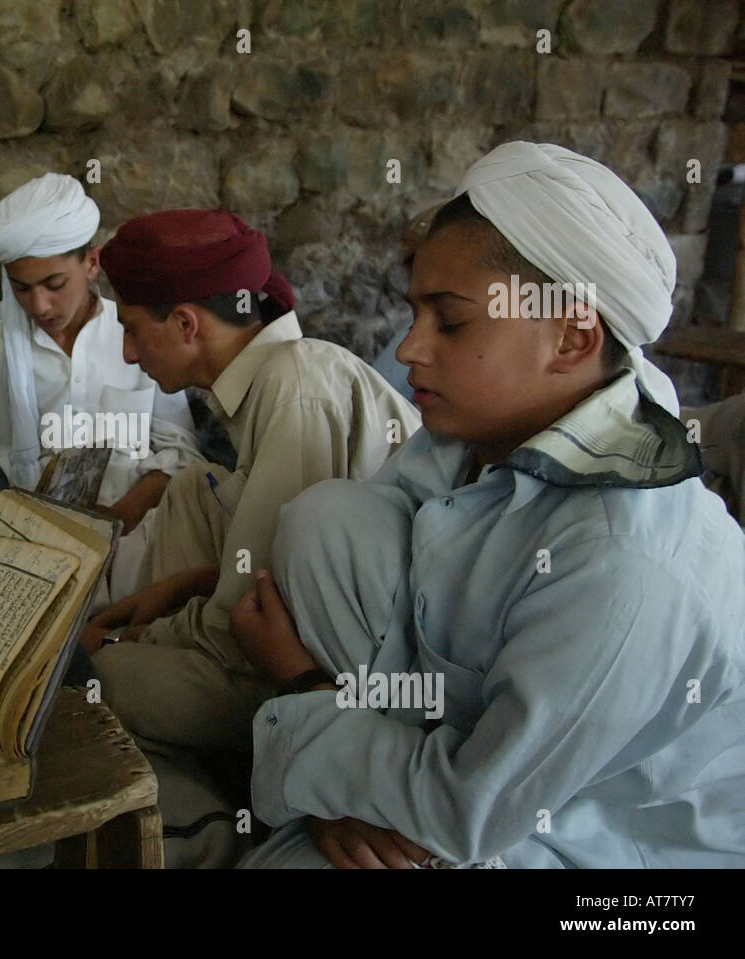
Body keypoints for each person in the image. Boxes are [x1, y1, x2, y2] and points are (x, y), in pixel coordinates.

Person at [234, 141, 745, 869]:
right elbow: (361, 557)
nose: (408, 348)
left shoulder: (629, 562)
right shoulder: (476, 433)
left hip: (597, 849)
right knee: (327, 520)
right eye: (416, 313)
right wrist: (347, 783)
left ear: (571, 337)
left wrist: (303, 686)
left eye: (450, 321)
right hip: (473, 773)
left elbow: (474, 812)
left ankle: (380, 817)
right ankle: (375, 807)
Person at [87, 208, 419, 757]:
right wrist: (178, 589)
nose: (127, 352)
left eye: (130, 328)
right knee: (197, 483)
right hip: (269, 626)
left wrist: (126, 638)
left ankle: (230, 753)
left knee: (100, 675)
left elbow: (259, 611)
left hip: (334, 675)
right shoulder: (276, 377)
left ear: (187, 324)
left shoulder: (296, 387)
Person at [0, 173, 200, 539]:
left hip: (141, 532)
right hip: (33, 537)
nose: (39, 305)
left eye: (55, 285)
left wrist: (118, 517)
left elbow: (183, 453)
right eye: (21, 288)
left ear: (91, 263)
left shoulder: (134, 333)